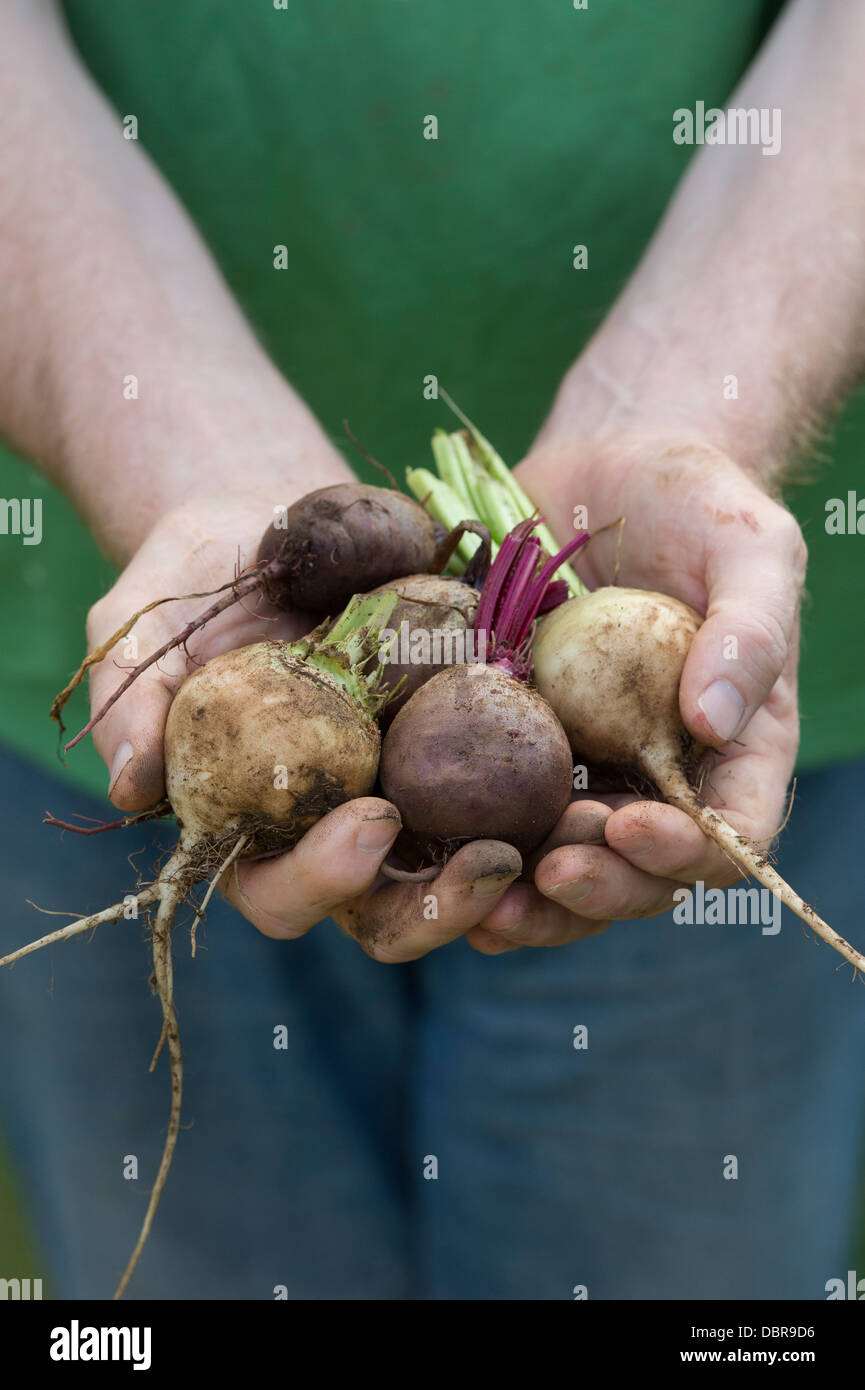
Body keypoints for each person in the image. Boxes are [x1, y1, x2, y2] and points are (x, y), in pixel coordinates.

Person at [0, 0, 863, 1299]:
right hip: (120, 635)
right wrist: (177, 458)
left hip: (713, 686)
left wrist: (694, 412)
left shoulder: (576, 648)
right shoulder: (278, 658)